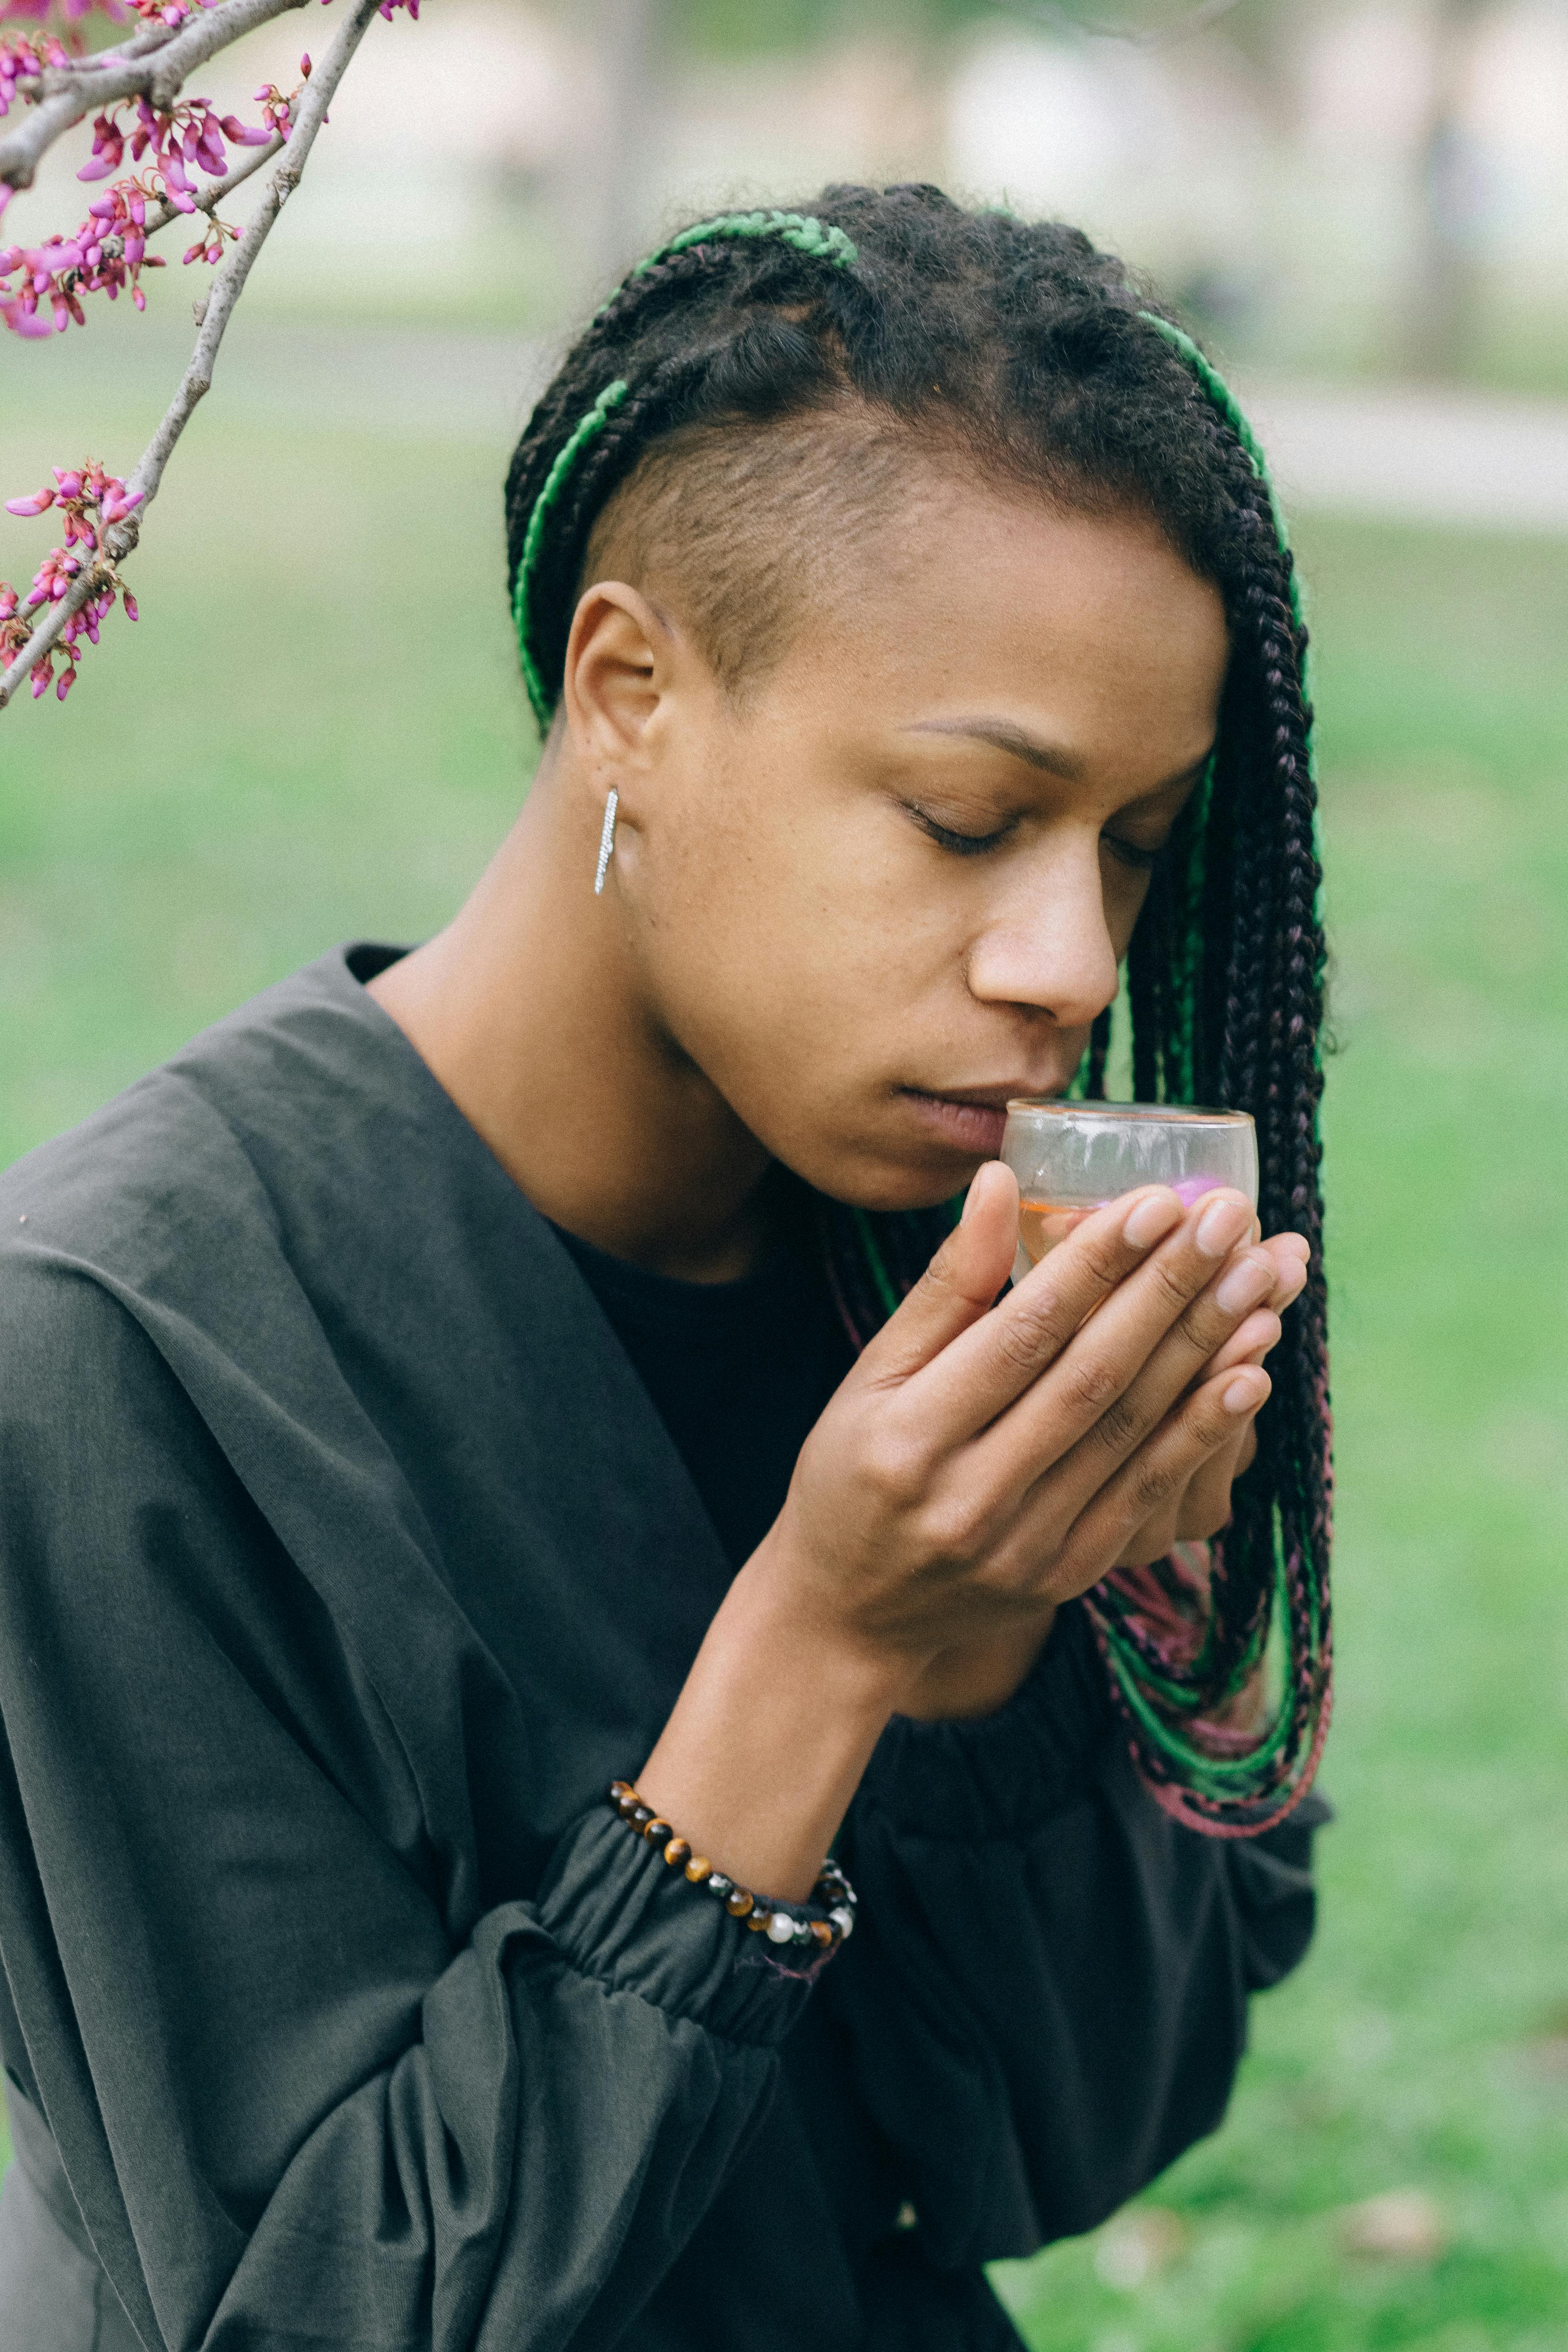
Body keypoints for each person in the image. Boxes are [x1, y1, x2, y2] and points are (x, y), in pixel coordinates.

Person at [0, 184, 1332, 2352]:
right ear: (631, 689)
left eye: (1135, 846)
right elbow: (310, 2308)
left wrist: (996, 1618)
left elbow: (1072, 2143)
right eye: (970, 819)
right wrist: (820, 1637)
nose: (1068, 962)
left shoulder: (957, 1271)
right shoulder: (112, 1353)